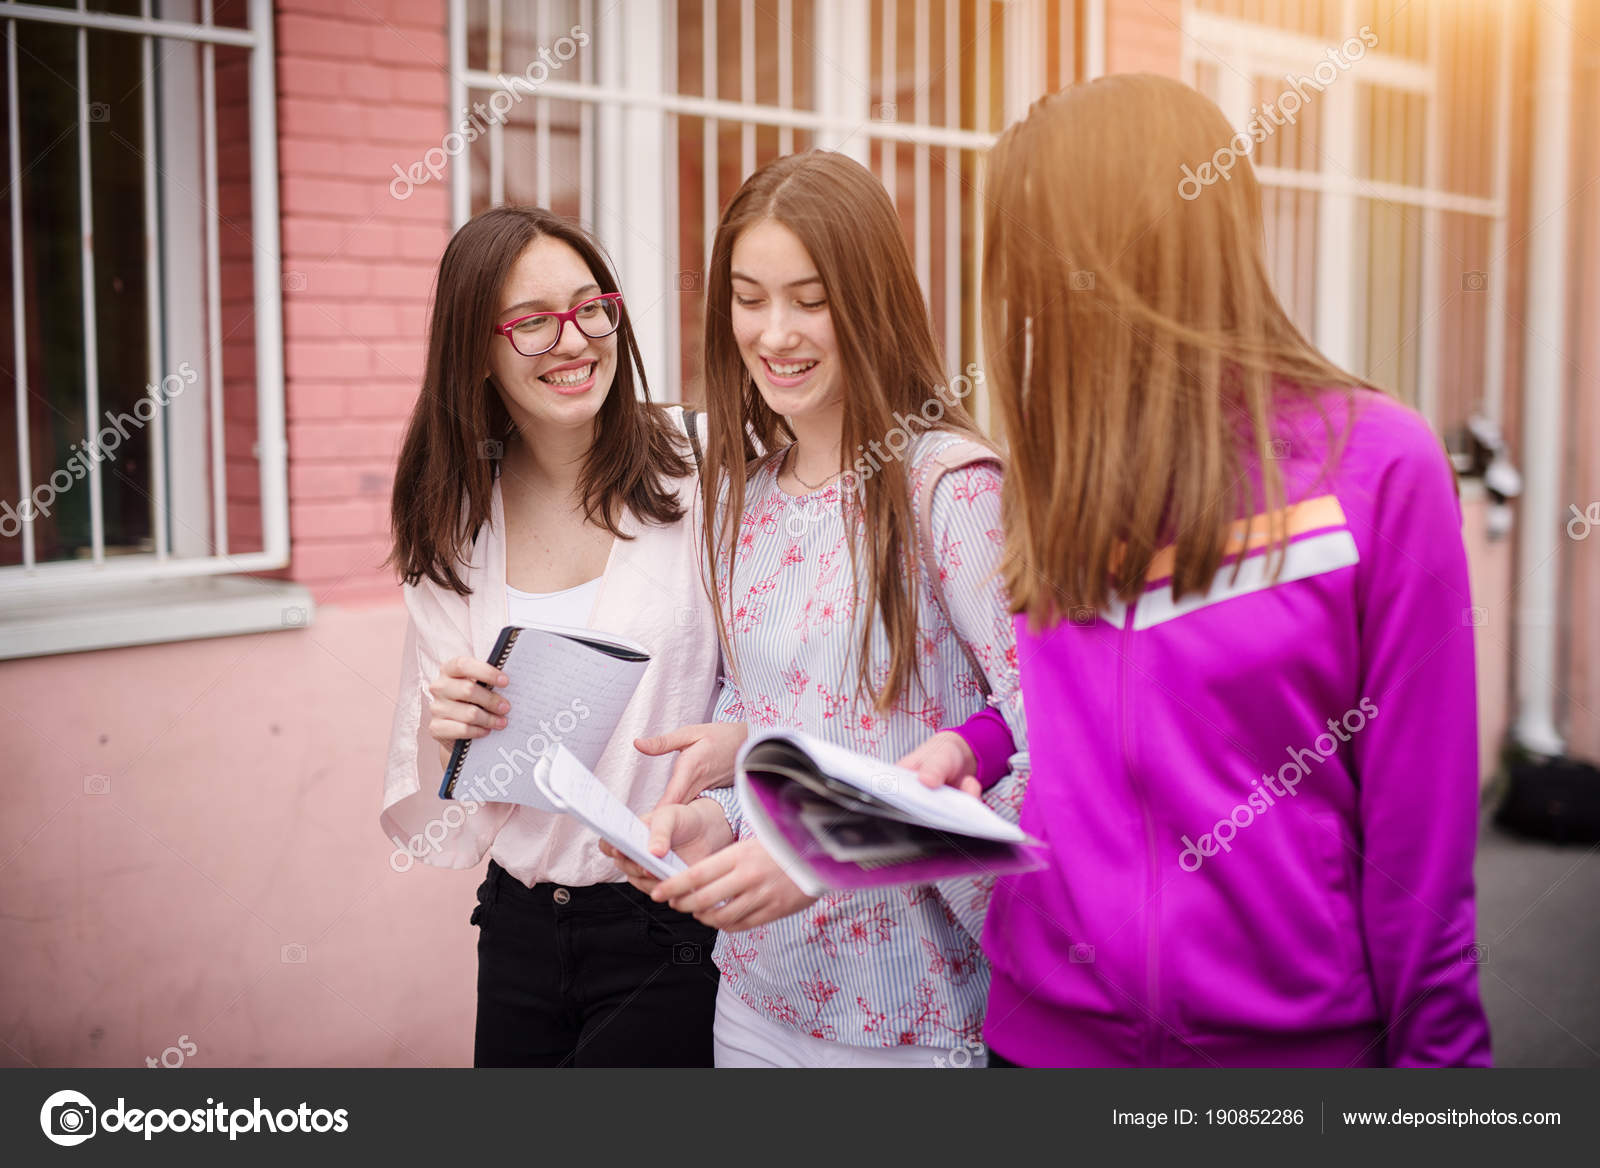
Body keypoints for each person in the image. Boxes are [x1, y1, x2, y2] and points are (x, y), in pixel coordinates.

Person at [939, 74, 1492, 1066]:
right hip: (1041, 1042)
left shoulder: (1379, 467)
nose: (1024, 298)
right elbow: (1076, 711)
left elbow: (1422, 853)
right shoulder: (1056, 464)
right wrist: (973, 748)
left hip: (1288, 1056)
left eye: (1043, 256)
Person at [603, 151, 1027, 1068]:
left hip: (916, 1018)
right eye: (749, 298)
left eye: (810, 299)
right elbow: (762, 723)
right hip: (755, 1000)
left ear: (870, 302)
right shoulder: (741, 500)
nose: (775, 332)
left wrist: (828, 850)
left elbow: (1041, 724)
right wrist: (708, 824)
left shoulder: (948, 487)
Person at [380, 206, 729, 1067]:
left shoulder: (705, 464)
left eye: (589, 307)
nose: (573, 341)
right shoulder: (455, 518)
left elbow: (784, 676)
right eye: (532, 322)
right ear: (476, 351)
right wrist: (450, 731)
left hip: (675, 920)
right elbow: (459, 797)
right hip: (519, 926)